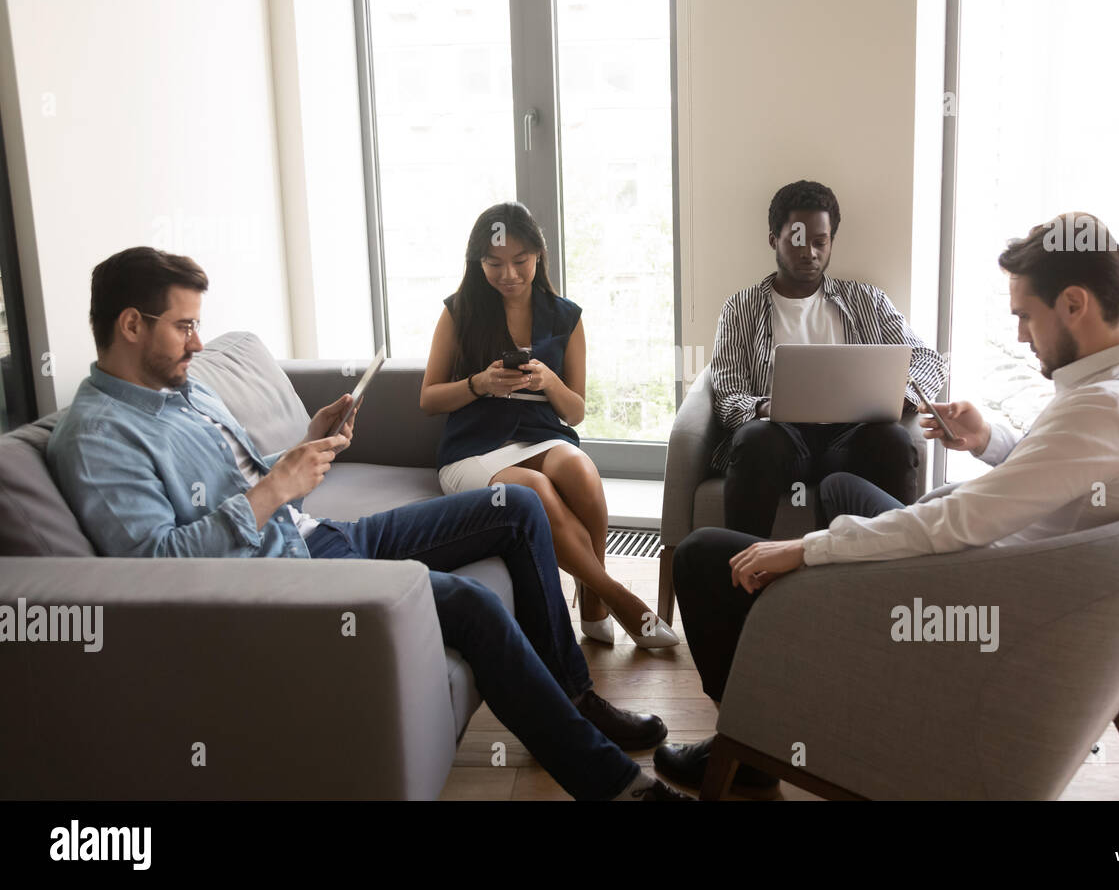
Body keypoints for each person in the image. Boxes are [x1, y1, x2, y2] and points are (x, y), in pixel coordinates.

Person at [47, 246, 690, 801]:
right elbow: (158, 566)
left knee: (517, 507)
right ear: (131, 324)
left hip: (320, 535)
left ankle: (576, 699)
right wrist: (276, 489)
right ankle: (612, 785)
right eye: (184, 326)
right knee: (468, 604)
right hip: (286, 581)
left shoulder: (185, 387)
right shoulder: (99, 437)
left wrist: (306, 445)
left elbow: (242, 482)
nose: (197, 342)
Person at [655, 212, 1119, 794]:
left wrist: (806, 550)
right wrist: (989, 440)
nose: (1022, 335)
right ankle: (813, 642)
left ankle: (755, 741)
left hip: (957, 597)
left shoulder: (1102, 410)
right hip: (985, 570)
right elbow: (1058, 476)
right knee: (838, 490)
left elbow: (955, 522)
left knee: (703, 555)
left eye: (1026, 316)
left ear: (1075, 304)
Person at [420, 202, 678, 649]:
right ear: (477, 262)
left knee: (579, 469)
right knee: (534, 491)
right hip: (472, 452)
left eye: (520, 261)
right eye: (494, 263)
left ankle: (593, 598)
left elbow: (574, 412)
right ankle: (615, 597)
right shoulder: (459, 312)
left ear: (538, 256)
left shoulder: (565, 316)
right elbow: (428, 399)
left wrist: (550, 381)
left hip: (540, 437)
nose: (509, 274)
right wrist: (479, 384)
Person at [709, 180, 948, 537]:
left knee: (893, 441)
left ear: (831, 242)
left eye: (820, 242)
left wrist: (904, 398)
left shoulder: (867, 301)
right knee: (754, 441)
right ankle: (744, 571)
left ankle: (896, 571)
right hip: (781, 443)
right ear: (774, 239)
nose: (810, 253)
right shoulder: (740, 308)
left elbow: (930, 359)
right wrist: (764, 408)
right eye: (798, 240)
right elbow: (727, 397)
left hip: (851, 441)